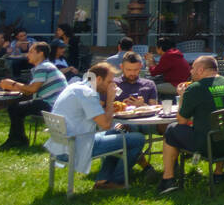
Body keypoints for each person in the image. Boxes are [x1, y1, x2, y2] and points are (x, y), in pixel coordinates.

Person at [44, 62, 148, 190]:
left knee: (116, 133)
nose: (112, 85)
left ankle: (103, 180)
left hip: (62, 144)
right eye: (109, 81)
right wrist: (110, 99)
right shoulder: (87, 93)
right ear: (98, 79)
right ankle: (117, 180)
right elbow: (105, 124)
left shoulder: (76, 87)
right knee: (138, 139)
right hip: (76, 147)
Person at [157, 56, 224, 195]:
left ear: (201, 70)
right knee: (220, 126)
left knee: (171, 129)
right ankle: (218, 173)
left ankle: (168, 179)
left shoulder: (195, 88)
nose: (190, 72)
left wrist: (182, 98)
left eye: (192, 69)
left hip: (210, 146)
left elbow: (182, 121)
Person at [0, 42, 69, 148]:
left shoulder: (43, 67)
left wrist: (12, 84)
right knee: (16, 108)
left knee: (15, 108)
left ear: (40, 53)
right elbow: (29, 90)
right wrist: (11, 86)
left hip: (51, 105)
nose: (28, 55)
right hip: (56, 104)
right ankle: (18, 138)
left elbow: (32, 89)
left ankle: (18, 140)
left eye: (31, 52)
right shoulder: (45, 66)